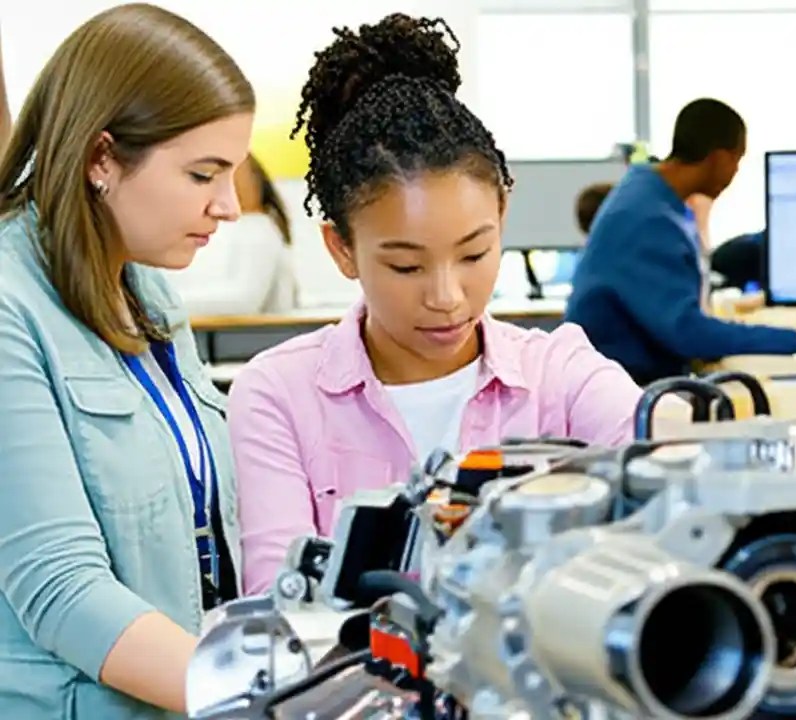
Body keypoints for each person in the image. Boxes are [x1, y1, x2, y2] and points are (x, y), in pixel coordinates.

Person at [226, 13, 644, 595]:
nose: (447, 297)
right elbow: (281, 604)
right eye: (406, 266)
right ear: (341, 249)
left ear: (502, 216)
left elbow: (665, 476)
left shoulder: (562, 378)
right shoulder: (279, 395)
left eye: (474, 255)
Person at [0, 4, 253, 716]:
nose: (230, 206)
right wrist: (253, 695)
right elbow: (62, 589)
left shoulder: (148, 289)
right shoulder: (10, 306)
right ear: (102, 158)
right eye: (204, 174)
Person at [565, 99, 796, 384]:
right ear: (719, 157)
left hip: (627, 379)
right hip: (623, 387)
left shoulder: (649, 195)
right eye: (737, 161)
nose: (735, 173)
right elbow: (687, 332)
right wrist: (794, 338)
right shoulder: (648, 217)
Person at [165, 153, 298, 315]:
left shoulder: (258, 228)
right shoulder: (221, 232)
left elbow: (243, 301)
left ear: (256, 183)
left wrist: (162, 305)